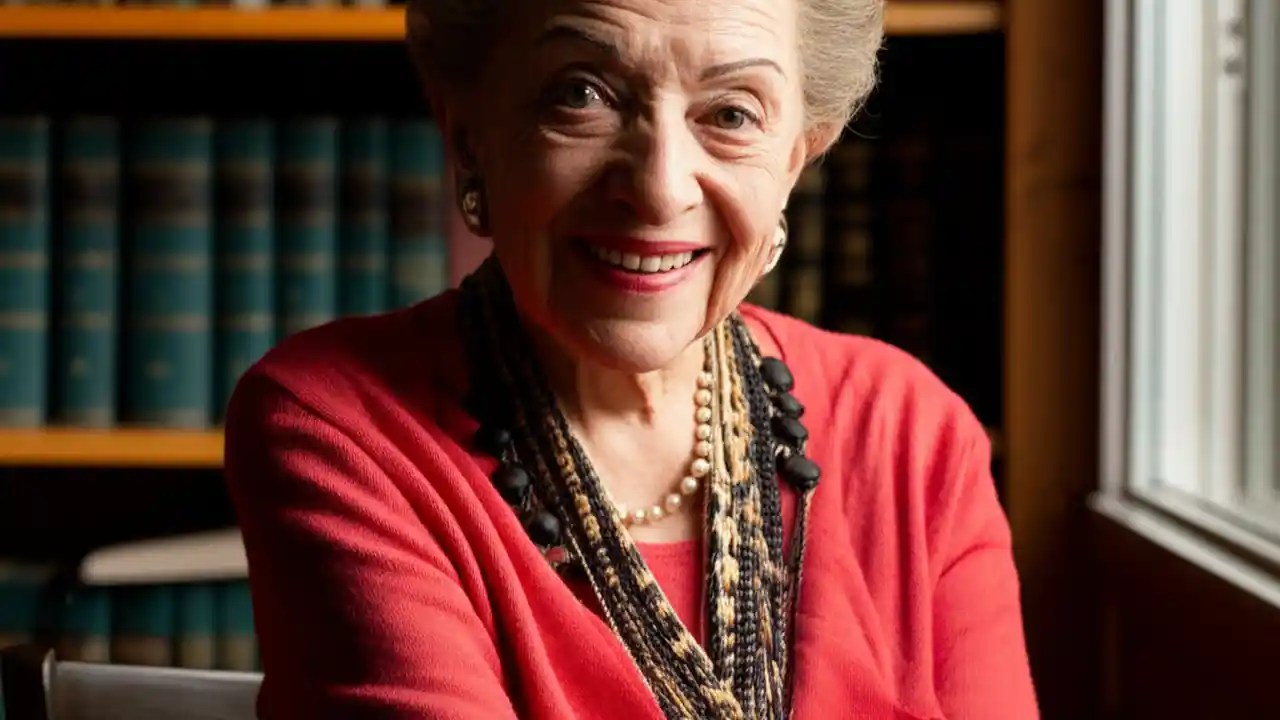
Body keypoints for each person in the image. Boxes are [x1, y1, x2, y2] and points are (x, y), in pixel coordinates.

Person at [223, 0, 1039, 717]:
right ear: (467, 133)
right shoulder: (338, 426)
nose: (657, 188)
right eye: (581, 93)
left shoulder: (911, 433)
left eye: (731, 114)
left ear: (798, 155)